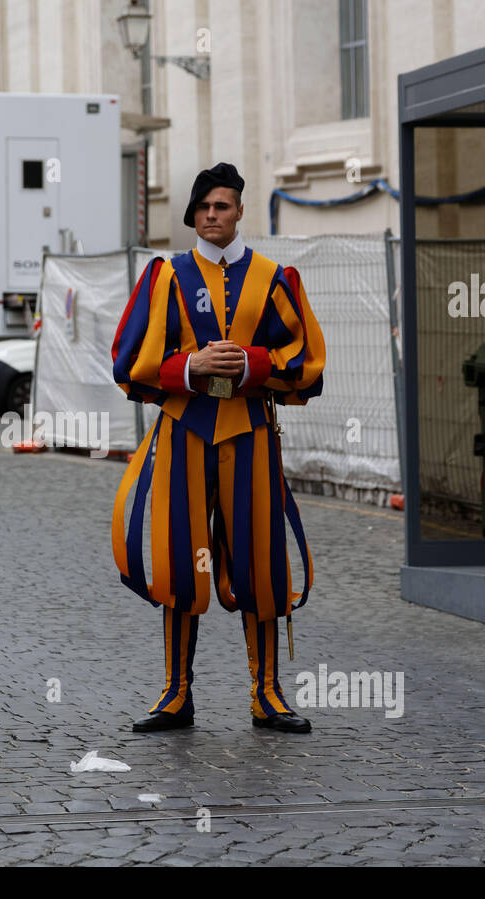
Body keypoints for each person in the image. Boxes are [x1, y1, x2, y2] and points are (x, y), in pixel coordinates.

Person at [110, 162, 326, 733]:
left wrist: (256, 364)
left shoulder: (274, 278)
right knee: (181, 560)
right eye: (204, 207)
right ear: (193, 214)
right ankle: (176, 693)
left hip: (251, 432)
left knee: (261, 560)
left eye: (223, 206)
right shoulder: (163, 276)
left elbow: (306, 365)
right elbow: (129, 364)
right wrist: (190, 366)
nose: (213, 215)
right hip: (184, 432)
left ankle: (268, 693)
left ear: (238, 212)